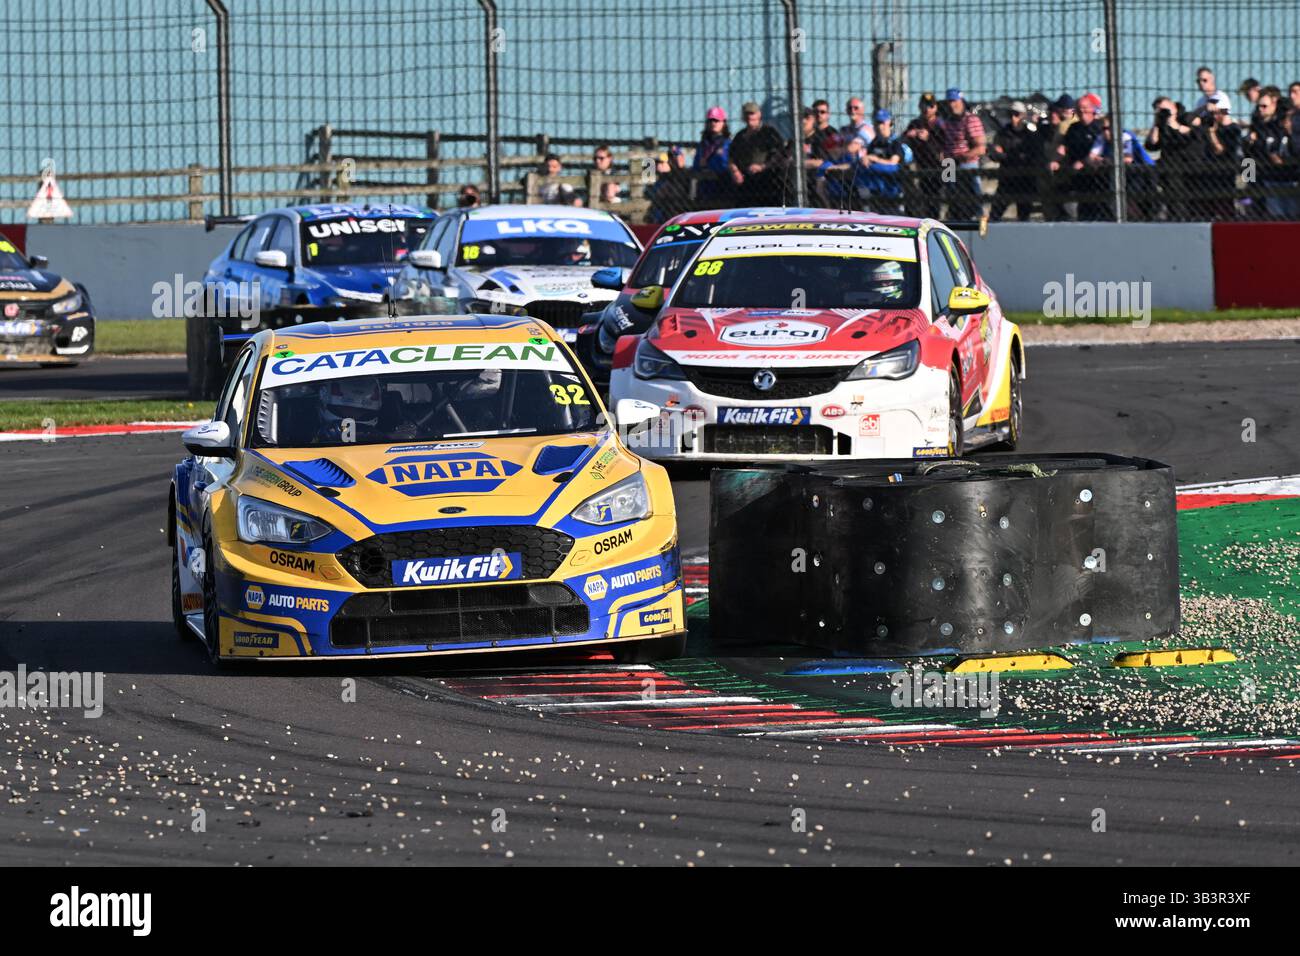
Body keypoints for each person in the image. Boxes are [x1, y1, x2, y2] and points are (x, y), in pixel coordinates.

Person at [1247, 86, 1299, 219]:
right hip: (1271, 178)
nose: (1260, 110)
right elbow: (1251, 157)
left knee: (1293, 217)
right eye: (1259, 106)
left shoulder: (1287, 123)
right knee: (1277, 217)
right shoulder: (1258, 126)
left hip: (1292, 177)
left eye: (1264, 106)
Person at [937, 87, 986, 219]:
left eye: (955, 101)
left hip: (966, 163)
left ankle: (979, 217)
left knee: (974, 193)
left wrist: (961, 156)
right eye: (949, 102)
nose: (952, 105)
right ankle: (953, 217)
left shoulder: (971, 120)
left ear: (962, 101)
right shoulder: (947, 122)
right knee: (950, 194)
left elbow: (981, 148)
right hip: (949, 163)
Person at [1192, 93, 1243, 219]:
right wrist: (1204, 108)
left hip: (1225, 176)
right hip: (1208, 177)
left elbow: (1219, 150)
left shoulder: (1233, 129)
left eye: (1217, 112)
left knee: (1226, 211)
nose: (1214, 116)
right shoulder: (1209, 125)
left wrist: (1211, 133)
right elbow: (1189, 120)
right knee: (1207, 212)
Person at [1145, 97, 1197, 220]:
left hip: (1188, 166)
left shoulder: (1185, 118)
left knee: (1187, 202)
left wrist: (1173, 124)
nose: (1163, 113)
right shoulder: (1161, 126)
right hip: (1169, 168)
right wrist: (1157, 122)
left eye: (1164, 109)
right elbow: (1152, 144)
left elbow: (1191, 135)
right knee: (1172, 202)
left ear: (1173, 107)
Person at [728, 101, 786, 205]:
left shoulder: (769, 132)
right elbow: (731, 156)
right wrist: (735, 171)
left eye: (752, 113)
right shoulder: (740, 136)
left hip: (766, 180)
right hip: (744, 181)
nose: (750, 116)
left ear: (759, 114)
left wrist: (763, 167)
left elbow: (779, 154)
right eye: (747, 114)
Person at [854, 109, 912, 214]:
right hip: (876, 190)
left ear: (889, 122)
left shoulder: (895, 142)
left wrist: (874, 159)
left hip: (893, 190)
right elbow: (867, 160)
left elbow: (893, 162)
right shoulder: (874, 143)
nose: (879, 126)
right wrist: (866, 159)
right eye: (876, 123)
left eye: (882, 122)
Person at [989, 101, 1039, 221]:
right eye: (1010, 114)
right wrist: (1014, 156)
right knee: (994, 215)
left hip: (1025, 181)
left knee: (1024, 216)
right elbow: (994, 154)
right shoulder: (1003, 133)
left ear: (1023, 115)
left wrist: (1005, 155)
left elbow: (1033, 156)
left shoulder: (1030, 135)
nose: (1013, 118)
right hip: (1006, 180)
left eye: (1016, 114)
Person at [903, 92, 943, 216]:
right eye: (924, 105)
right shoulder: (915, 124)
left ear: (935, 107)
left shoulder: (941, 125)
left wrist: (928, 139)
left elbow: (944, 151)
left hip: (939, 168)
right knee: (916, 201)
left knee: (936, 201)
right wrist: (908, 135)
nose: (927, 109)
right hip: (919, 168)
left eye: (930, 106)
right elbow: (902, 141)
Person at [693, 106, 732, 206]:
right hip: (705, 188)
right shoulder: (703, 145)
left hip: (723, 187)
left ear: (723, 122)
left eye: (716, 120)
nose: (713, 123)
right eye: (710, 120)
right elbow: (696, 167)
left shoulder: (728, 144)